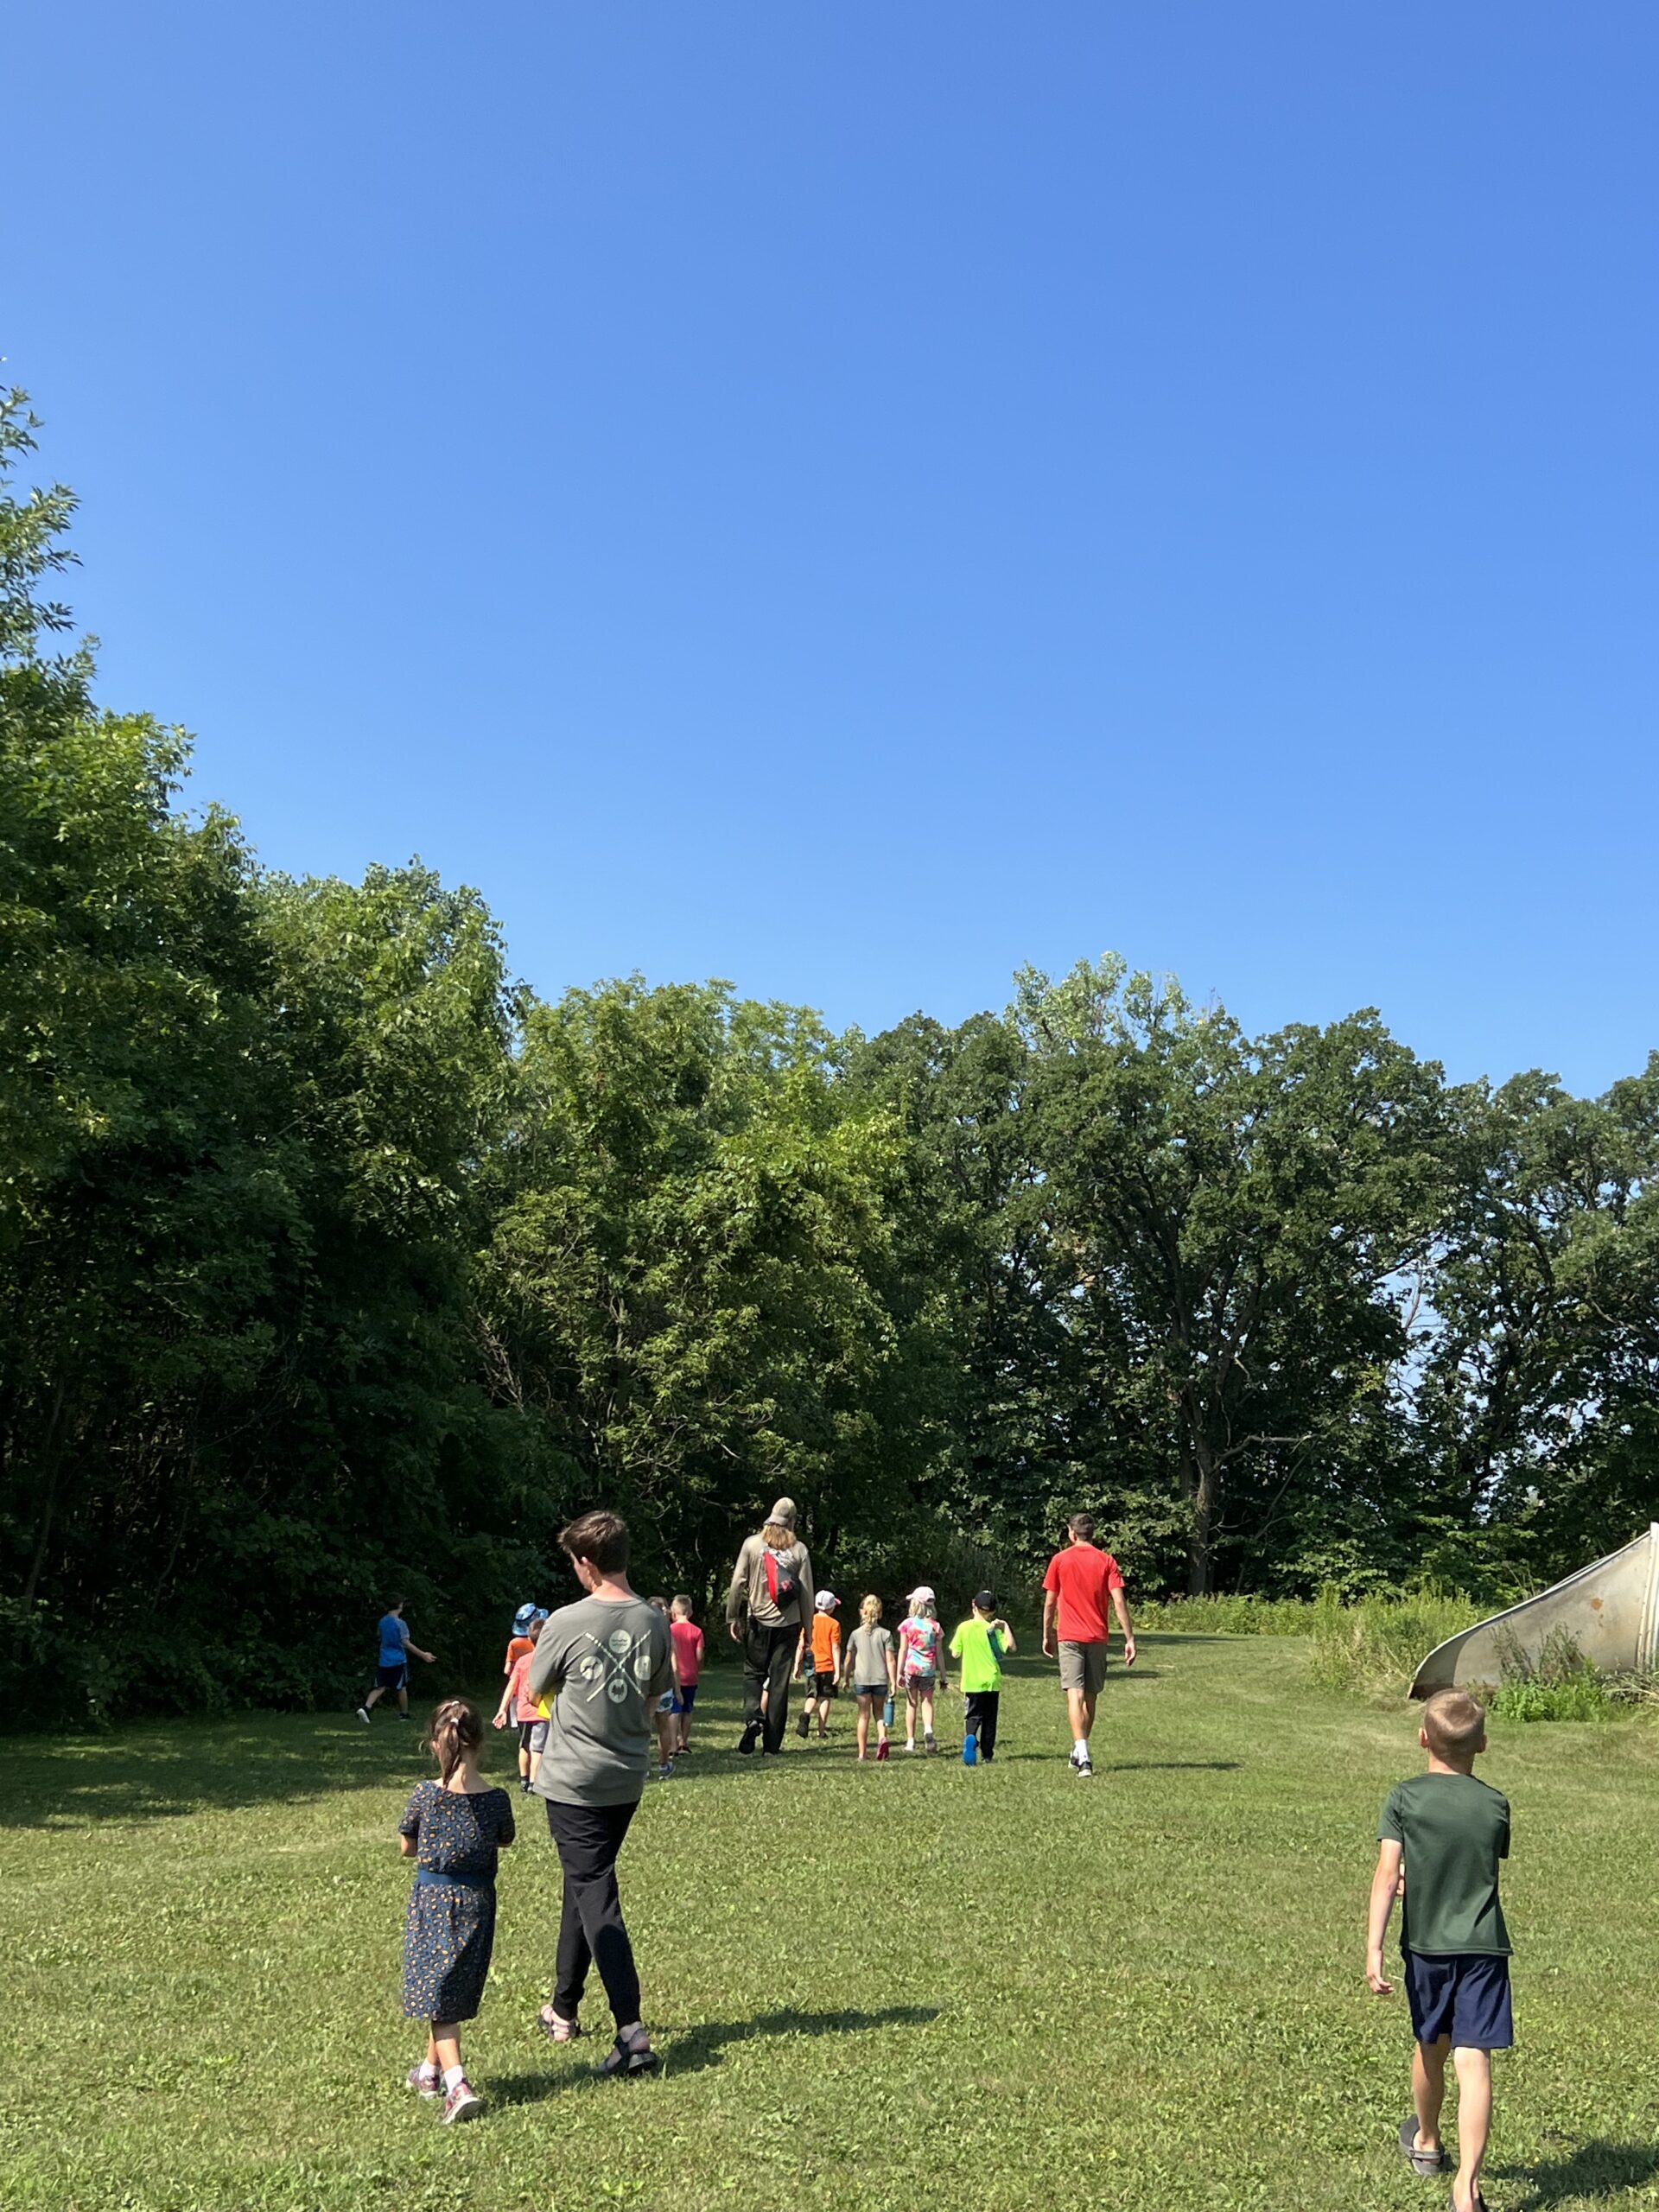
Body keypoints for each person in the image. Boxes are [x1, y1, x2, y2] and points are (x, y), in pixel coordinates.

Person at [527, 1510, 672, 2076]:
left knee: (595, 1892)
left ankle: (631, 2031)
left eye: (574, 1563)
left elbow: (537, 1687)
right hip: (625, 1777)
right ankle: (562, 2008)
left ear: (587, 1564)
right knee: (584, 1885)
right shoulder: (655, 1621)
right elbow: (655, 1699)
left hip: (572, 1779)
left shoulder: (565, 1620)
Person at [1367, 1689, 1513, 2212]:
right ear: (1483, 1745)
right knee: (1475, 2060)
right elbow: (1475, 1862)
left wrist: (1374, 1952)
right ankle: (1466, 2190)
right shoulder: (1496, 1804)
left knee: (1432, 2045)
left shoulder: (1404, 1797)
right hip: (1484, 1948)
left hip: (1427, 1948)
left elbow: (1387, 1877)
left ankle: (1427, 2143)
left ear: (1422, 1737)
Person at [397, 1697, 515, 2124]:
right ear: (480, 1743)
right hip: (479, 1904)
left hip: (434, 1903)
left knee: (438, 1993)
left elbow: (407, 1845)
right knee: (445, 1990)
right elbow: (505, 1839)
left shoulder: (425, 1796)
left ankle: (457, 2085)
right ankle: (428, 2072)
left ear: (435, 1745)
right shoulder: (497, 1799)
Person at [1040, 1514, 1135, 1777]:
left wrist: (1047, 1633)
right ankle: (1081, 1750)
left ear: (1072, 1533)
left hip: (1069, 1635)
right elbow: (1119, 1602)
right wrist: (1129, 1638)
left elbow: (1050, 1602)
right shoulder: (1106, 1561)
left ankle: (1081, 1753)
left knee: (1075, 1694)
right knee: (1090, 1696)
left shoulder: (1060, 1560)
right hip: (1097, 1637)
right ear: (1093, 1534)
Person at [725, 1497, 815, 1755]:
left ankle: (754, 1718)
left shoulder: (752, 1545)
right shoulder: (799, 1550)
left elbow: (737, 1584)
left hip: (758, 1621)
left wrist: (733, 1617)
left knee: (753, 1673)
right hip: (788, 1625)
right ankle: (772, 1746)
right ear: (793, 1522)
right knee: (778, 1685)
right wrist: (808, 1630)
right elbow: (807, 1594)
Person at [950, 1591, 1015, 1764]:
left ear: (974, 1605)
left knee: (973, 1715)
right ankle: (987, 1754)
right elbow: (1010, 1647)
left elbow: (955, 1653)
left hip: (972, 1680)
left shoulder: (964, 1627)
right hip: (991, 1680)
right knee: (989, 1719)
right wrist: (1005, 1627)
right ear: (992, 1612)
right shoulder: (992, 1630)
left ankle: (970, 1736)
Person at [493, 1611, 550, 1791]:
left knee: (524, 1746)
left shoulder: (523, 1661)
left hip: (523, 1711)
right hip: (542, 1710)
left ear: (530, 1640)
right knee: (538, 1747)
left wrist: (502, 1709)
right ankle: (534, 1783)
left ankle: (524, 1780)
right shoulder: (549, 1661)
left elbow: (511, 1686)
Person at [359, 1601, 435, 1723]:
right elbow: (406, 1643)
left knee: (380, 1687)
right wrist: (423, 1654)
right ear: (399, 1605)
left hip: (384, 1659)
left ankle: (366, 1707)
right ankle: (404, 1714)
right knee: (401, 1687)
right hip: (398, 1660)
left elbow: (379, 1635)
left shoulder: (383, 1621)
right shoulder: (401, 1623)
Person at [842, 1593, 897, 1761]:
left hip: (862, 1680)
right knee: (879, 1714)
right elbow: (890, 1660)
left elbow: (848, 1659)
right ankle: (882, 1738)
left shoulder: (855, 1634)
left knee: (863, 1715)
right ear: (879, 1613)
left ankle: (862, 1753)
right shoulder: (886, 1634)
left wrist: (846, 1678)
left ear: (862, 1612)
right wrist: (893, 1681)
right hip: (880, 1680)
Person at [897, 1586, 947, 1753]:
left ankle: (910, 1741)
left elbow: (903, 1650)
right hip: (928, 1670)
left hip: (911, 1669)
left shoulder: (908, 1625)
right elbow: (939, 1653)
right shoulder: (935, 1627)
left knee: (911, 1704)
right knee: (927, 1702)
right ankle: (928, 1730)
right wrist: (943, 1677)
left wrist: (898, 1672)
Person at [797, 1591, 842, 1740]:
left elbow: (801, 1645)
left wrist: (797, 1664)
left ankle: (806, 1715)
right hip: (827, 1665)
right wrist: (837, 1670)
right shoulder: (834, 1624)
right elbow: (835, 1647)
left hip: (811, 1664)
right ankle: (821, 1731)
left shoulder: (809, 1621)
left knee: (812, 1694)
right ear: (830, 1608)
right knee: (825, 1697)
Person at [647, 1597, 679, 1779]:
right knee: (663, 1727)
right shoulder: (668, 1634)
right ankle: (663, 1765)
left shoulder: (642, 1633)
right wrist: (678, 1689)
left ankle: (642, 1768)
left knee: (643, 1728)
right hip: (665, 1685)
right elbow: (675, 1664)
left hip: (645, 1686)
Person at [668, 1596, 705, 1754]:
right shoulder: (697, 1631)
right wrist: (698, 1668)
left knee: (674, 1710)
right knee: (687, 1710)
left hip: (673, 1676)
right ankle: (684, 1742)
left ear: (673, 1612)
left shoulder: (669, 1630)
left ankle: (672, 1744)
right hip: (690, 1676)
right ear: (689, 1612)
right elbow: (700, 1655)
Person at [504, 1602, 539, 1678]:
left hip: (519, 1677)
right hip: (537, 1677)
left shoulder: (513, 1643)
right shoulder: (540, 1641)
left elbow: (507, 1669)